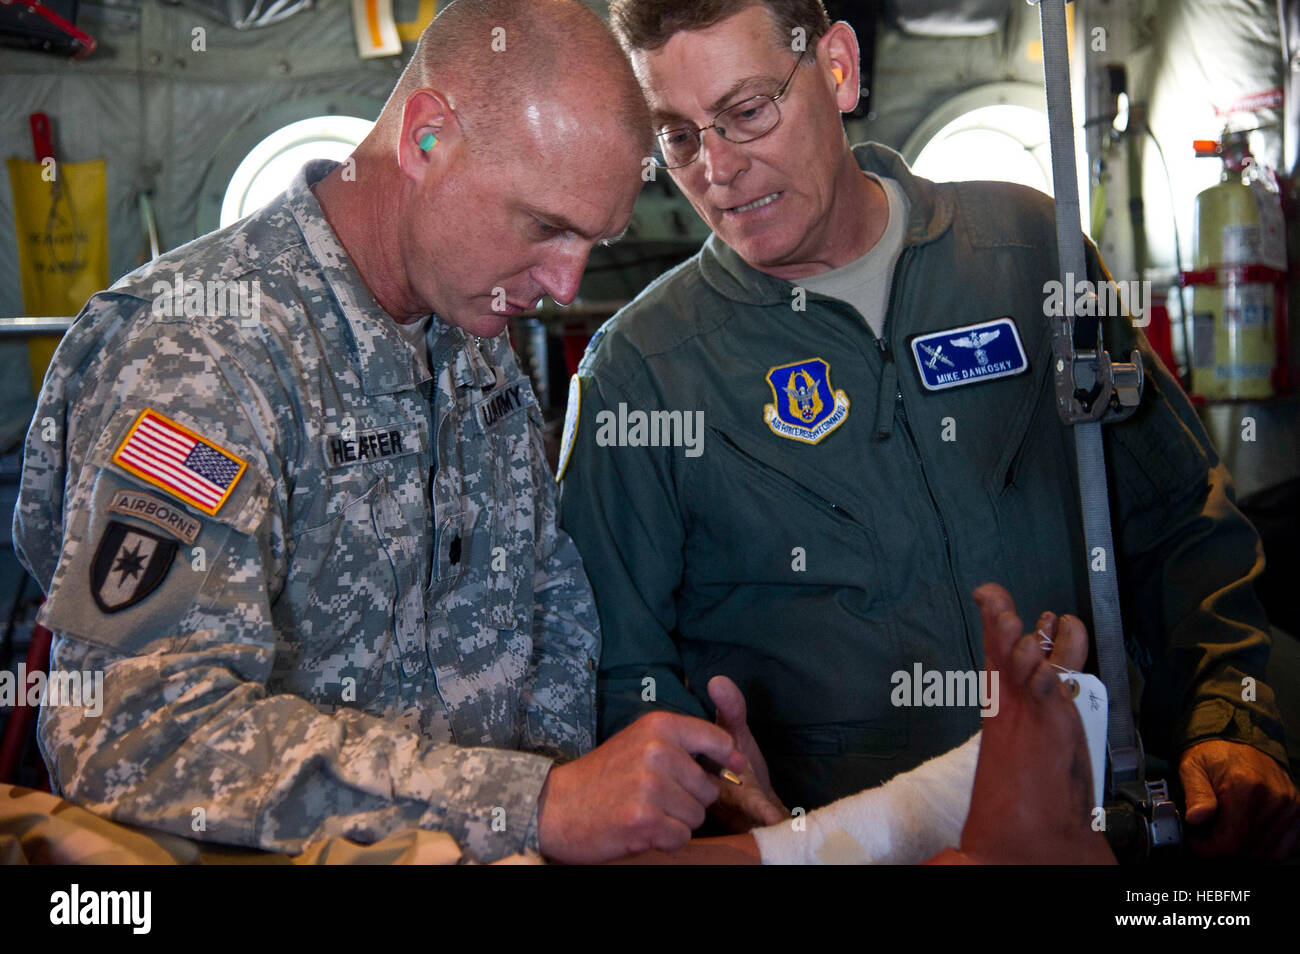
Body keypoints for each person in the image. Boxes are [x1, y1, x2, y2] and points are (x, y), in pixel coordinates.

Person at [12, 0, 749, 866]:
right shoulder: (199, 351)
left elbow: (547, 602)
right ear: (427, 138)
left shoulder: (472, 335)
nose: (563, 279)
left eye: (594, 239)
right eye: (546, 225)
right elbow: (132, 732)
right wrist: (535, 805)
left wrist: (587, 810)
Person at [558, 0, 1300, 857]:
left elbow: (1178, 522)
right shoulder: (641, 373)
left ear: (837, 67)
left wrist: (1231, 715)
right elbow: (616, 673)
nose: (717, 169)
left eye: (747, 112)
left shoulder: (1030, 253)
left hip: (1093, 835)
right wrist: (711, 796)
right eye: (679, 138)